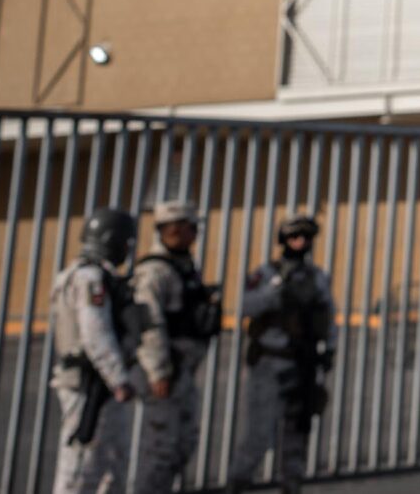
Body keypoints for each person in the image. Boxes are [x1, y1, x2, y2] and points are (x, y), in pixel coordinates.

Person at [230, 215, 333, 494]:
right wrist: (276, 289)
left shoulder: (317, 277)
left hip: (303, 364)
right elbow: (246, 306)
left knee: (297, 432)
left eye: (306, 237)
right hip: (269, 363)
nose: (300, 242)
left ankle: (291, 485)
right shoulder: (266, 274)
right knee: (258, 432)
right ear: (283, 240)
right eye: (294, 237)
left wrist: (328, 353)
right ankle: (239, 482)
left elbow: (327, 317)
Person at [130, 200, 220, 494]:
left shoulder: (184, 267)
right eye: (178, 228)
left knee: (185, 441)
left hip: (181, 371)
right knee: (161, 449)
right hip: (165, 372)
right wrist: (158, 370)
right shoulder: (155, 270)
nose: (186, 233)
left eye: (190, 228)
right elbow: (148, 323)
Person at [49, 208, 138, 494]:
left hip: (99, 381)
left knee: (109, 462)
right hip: (90, 383)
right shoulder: (90, 278)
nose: (127, 249)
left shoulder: (89, 274)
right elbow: (95, 333)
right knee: (81, 467)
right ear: (111, 240)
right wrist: (118, 379)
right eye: (125, 242)